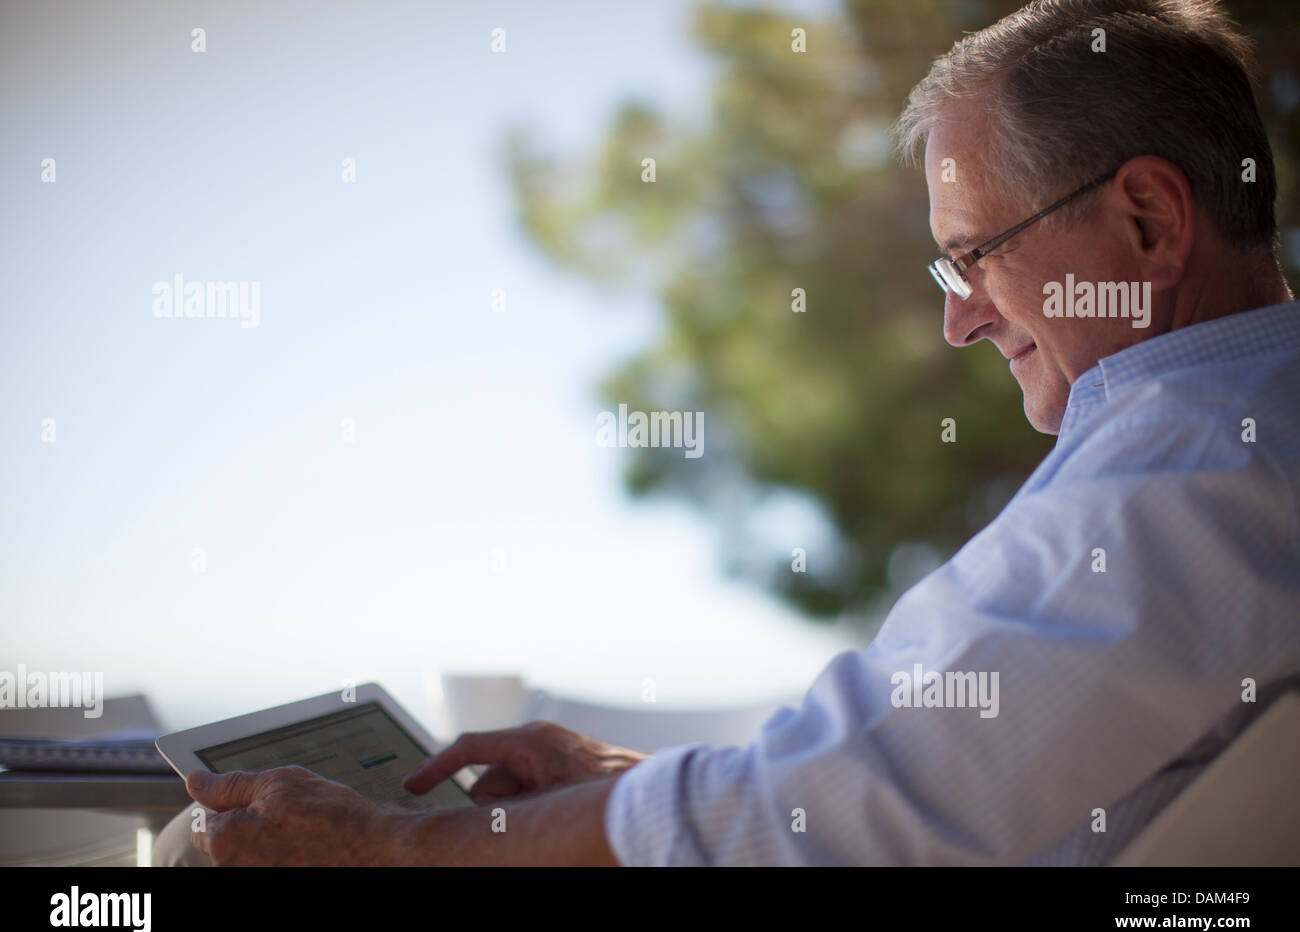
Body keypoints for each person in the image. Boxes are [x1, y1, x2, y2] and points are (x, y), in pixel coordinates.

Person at [155, 0, 1299, 866]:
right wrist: (640, 784)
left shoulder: (1184, 467)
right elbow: (927, 785)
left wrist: (399, 846)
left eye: (978, 254)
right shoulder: (1232, 441)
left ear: (1147, 220)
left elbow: (857, 809)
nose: (957, 316)